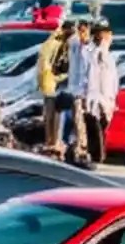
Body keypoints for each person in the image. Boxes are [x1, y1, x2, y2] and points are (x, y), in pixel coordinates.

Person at [81, 23, 118, 167]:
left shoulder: (109, 57)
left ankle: (98, 155)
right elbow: (88, 77)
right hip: (93, 98)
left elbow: (113, 80)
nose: (109, 38)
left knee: (102, 128)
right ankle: (97, 156)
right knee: (94, 129)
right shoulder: (91, 53)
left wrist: (112, 100)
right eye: (106, 35)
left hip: (106, 99)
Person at [37, 22, 72, 154]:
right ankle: (53, 141)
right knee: (55, 114)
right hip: (53, 84)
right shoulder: (57, 44)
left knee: (50, 114)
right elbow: (54, 66)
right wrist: (63, 76)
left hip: (48, 83)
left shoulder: (49, 43)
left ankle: (50, 141)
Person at [64, 20, 93, 159]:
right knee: (74, 119)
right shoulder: (75, 46)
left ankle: (81, 145)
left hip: (82, 90)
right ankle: (75, 143)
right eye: (79, 31)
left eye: (84, 31)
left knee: (79, 120)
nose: (81, 34)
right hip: (73, 89)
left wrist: (86, 92)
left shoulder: (89, 50)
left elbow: (89, 73)